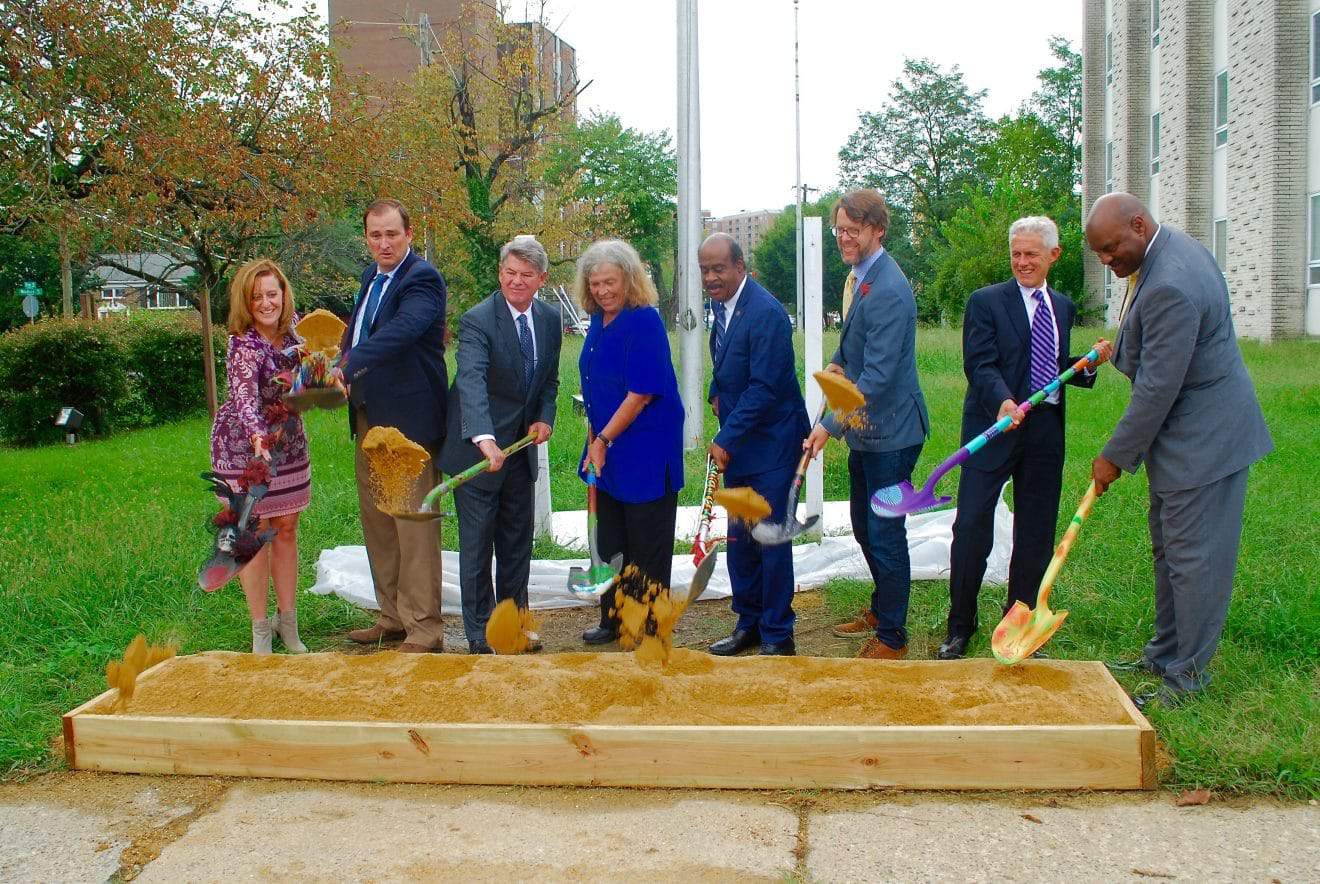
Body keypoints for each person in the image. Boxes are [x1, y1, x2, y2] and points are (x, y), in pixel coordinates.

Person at [1084, 192, 1272, 706]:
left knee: (1195, 562)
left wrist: (1114, 456)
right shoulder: (1171, 251)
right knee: (1169, 551)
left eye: (1110, 248)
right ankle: (1165, 652)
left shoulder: (1170, 283)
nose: (1105, 260)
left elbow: (1157, 389)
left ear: (1139, 225)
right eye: (1098, 251)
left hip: (1205, 442)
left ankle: (1186, 679)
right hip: (1187, 438)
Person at [939, 217, 1111, 660]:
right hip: (993, 429)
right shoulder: (986, 302)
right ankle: (960, 626)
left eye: (1031, 254)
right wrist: (1002, 402)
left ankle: (1017, 621)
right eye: (1016, 254)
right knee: (972, 526)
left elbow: (1052, 365)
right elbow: (980, 364)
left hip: (1044, 435)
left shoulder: (1063, 306)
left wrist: (1087, 365)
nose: (1022, 262)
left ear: (1053, 255)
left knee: (1035, 533)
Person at [804, 190, 929, 660]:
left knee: (884, 531)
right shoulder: (863, 276)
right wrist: (836, 363)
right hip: (868, 432)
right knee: (863, 524)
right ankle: (882, 607)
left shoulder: (891, 289)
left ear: (878, 229)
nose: (844, 238)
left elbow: (876, 376)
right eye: (840, 230)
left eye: (853, 231)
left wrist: (828, 428)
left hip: (892, 434)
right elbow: (855, 345)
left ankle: (893, 638)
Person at [439, 235, 561, 654]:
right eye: (510, 273)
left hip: (520, 451)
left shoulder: (548, 319)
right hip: (479, 449)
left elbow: (548, 381)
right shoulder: (477, 320)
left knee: (515, 545)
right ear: (500, 272)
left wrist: (545, 415)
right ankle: (480, 634)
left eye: (526, 275)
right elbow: (470, 379)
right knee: (477, 548)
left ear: (542, 278)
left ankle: (515, 624)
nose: (516, 282)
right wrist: (484, 438)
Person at [340, 198, 448, 653]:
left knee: (412, 522)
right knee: (379, 520)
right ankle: (392, 616)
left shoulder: (422, 279)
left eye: (391, 234)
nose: (383, 243)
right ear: (366, 237)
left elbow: (401, 331)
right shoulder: (371, 278)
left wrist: (347, 365)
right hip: (369, 416)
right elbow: (360, 330)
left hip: (408, 423)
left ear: (408, 234)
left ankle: (424, 628)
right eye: (374, 235)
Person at [699, 233, 809, 656]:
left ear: (740, 266)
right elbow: (726, 357)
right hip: (742, 441)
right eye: (705, 270)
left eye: (718, 269)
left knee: (769, 538)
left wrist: (725, 437)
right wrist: (715, 390)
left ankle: (778, 634)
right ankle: (749, 624)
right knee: (741, 538)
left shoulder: (767, 314)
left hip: (773, 444)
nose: (711, 277)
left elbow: (765, 387)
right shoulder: (722, 304)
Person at [575, 239, 686, 646]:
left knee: (646, 542)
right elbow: (593, 382)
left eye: (610, 282)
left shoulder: (644, 322)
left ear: (630, 279)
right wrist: (594, 437)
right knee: (611, 539)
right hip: (606, 446)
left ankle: (652, 626)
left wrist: (603, 438)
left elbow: (640, 393)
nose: (603, 291)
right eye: (595, 283)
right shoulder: (597, 321)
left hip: (644, 448)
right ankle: (615, 620)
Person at [210, 258, 310, 655]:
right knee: (253, 535)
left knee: (285, 528)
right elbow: (244, 399)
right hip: (243, 449)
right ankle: (260, 632)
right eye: (257, 297)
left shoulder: (297, 333)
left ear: (283, 294)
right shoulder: (241, 343)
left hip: (289, 444)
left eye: (273, 294)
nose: (267, 303)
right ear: (246, 302)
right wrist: (257, 439)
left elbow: (317, 372)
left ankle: (290, 626)